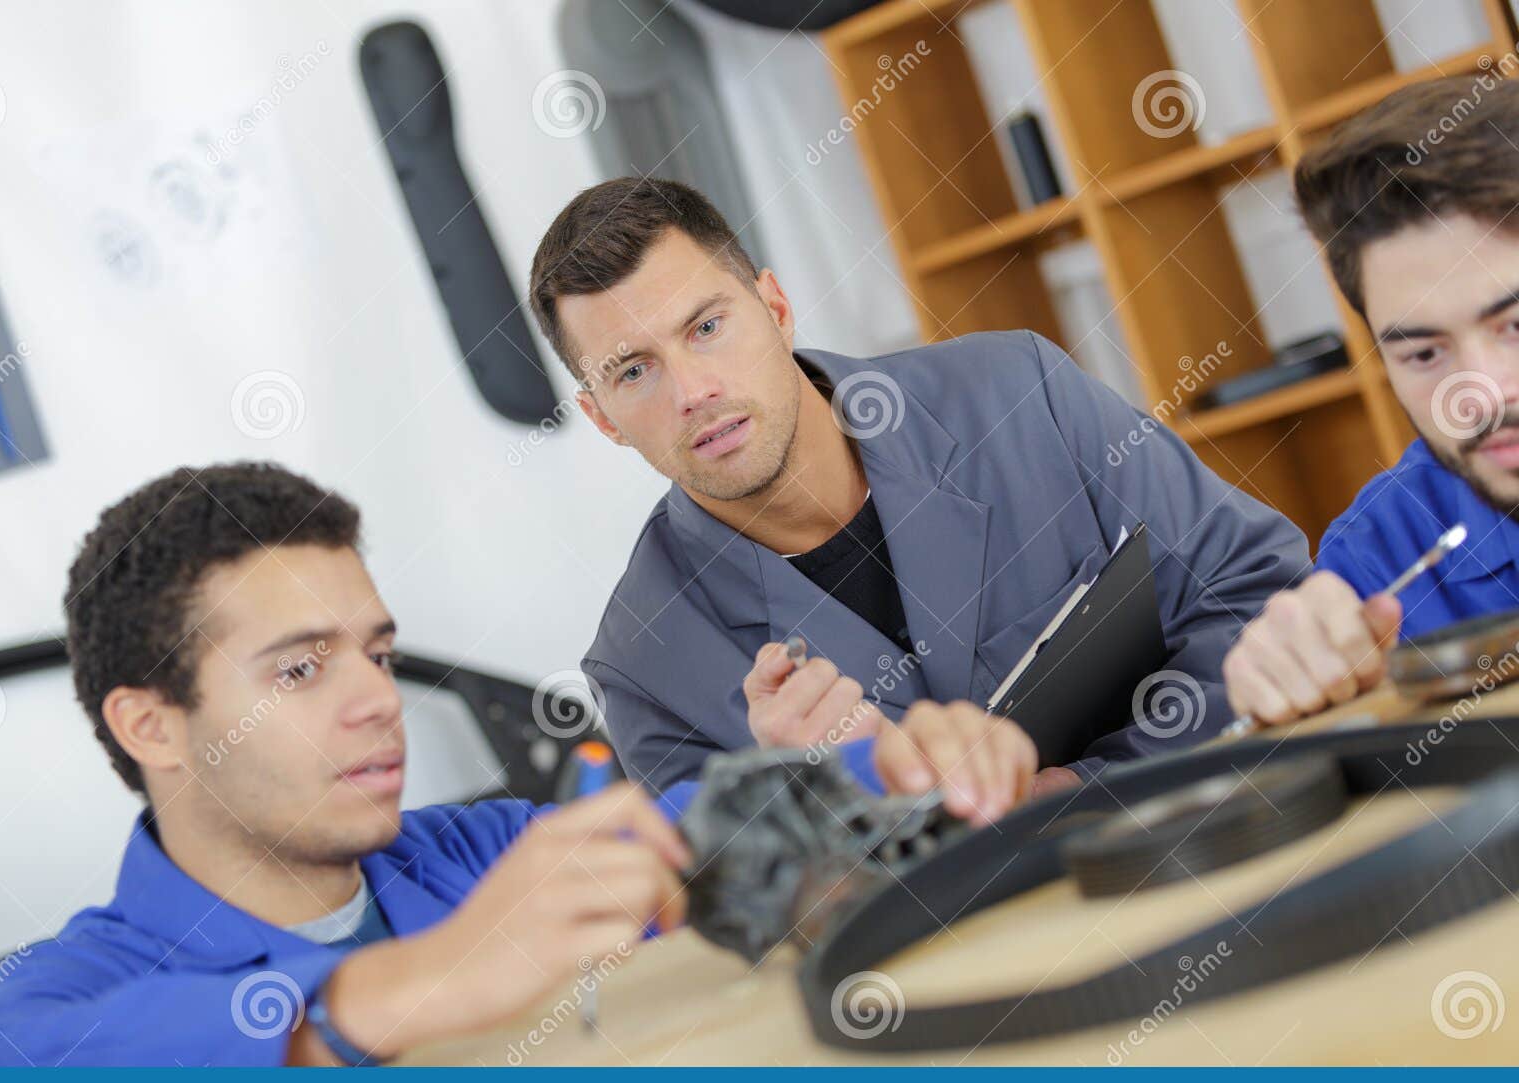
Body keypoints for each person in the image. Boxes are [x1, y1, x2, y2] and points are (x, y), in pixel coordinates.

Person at [0, 462, 1036, 1066]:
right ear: (152, 725)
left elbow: (692, 829)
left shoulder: (481, 851)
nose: (379, 696)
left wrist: (886, 766)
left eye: (376, 652)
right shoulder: (61, 997)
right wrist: (401, 988)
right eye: (298, 670)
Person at [527, 177, 1309, 812]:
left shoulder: (1019, 392)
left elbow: (1257, 590)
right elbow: (744, 913)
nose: (694, 390)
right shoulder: (644, 661)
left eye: (706, 328)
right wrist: (819, 801)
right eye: (634, 371)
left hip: (1218, 840)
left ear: (775, 308)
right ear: (602, 419)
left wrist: (1081, 788)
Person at [1224, 76, 1519, 726]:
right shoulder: (1381, 558)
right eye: (1424, 353)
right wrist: (1289, 679)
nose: (1481, 395)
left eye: (1515, 325)